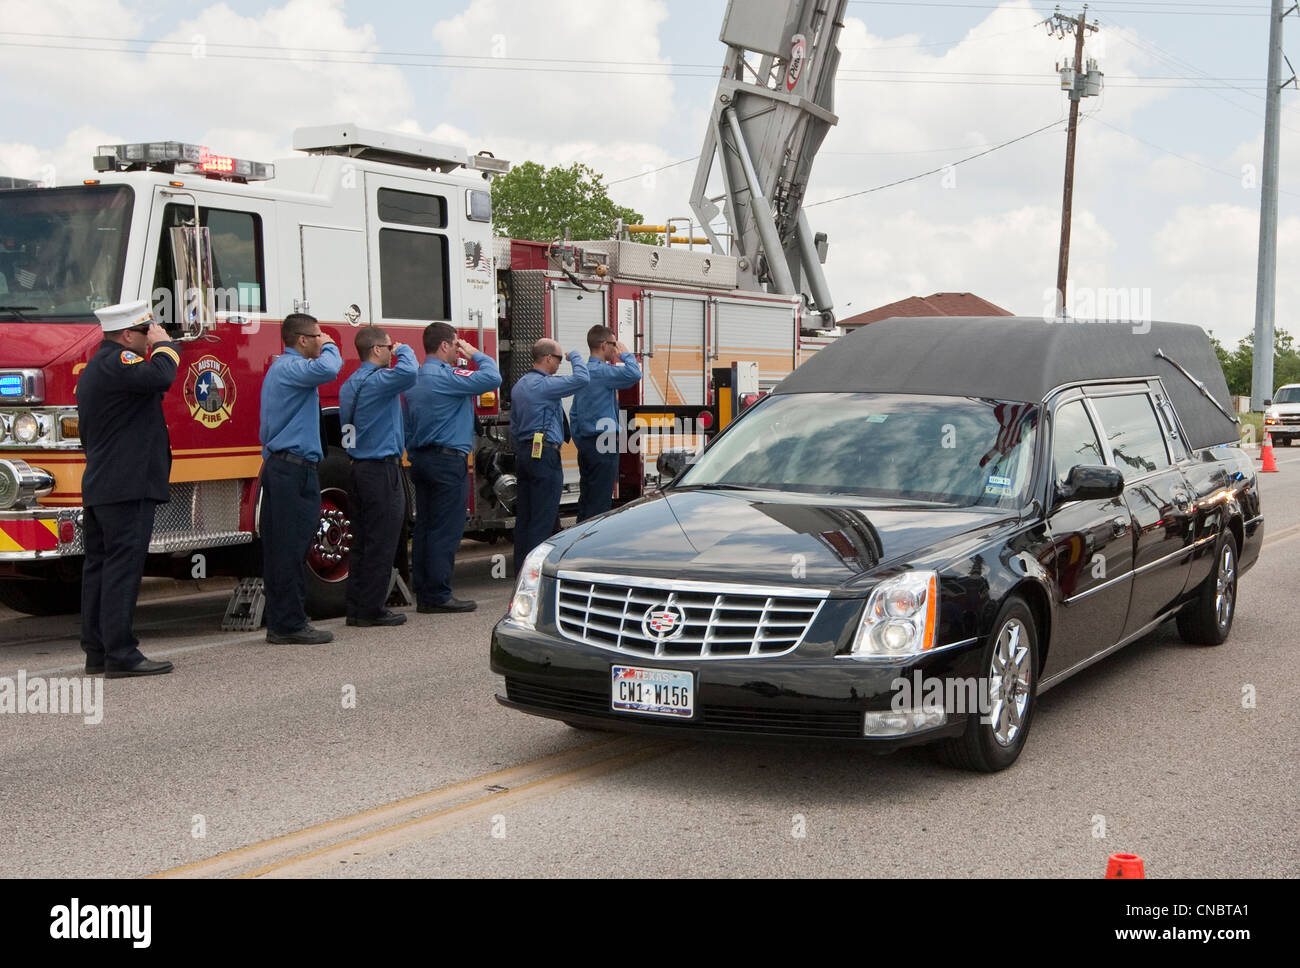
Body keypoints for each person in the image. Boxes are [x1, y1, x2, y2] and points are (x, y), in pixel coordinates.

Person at [76, 299, 180, 677]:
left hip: (105, 483)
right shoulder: (120, 362)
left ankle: (97, 650)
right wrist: (168, 344)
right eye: (145, 331)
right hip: (127, 484)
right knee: (122, 568)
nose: (149, 337)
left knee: (101, 568)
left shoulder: (94, 368)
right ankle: (121, 653)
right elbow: (161, 378)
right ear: (126, 335)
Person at [404, 323, 502, 612]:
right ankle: (438, 594)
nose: (458, 349)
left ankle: (424, 590)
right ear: (445, 346)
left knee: (424, 526)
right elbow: (492, 377)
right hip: (447, 461)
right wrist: (475, 353)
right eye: (455, 344)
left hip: (420, 459)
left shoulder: (415, 378)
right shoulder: (447, 376)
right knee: (445, 529)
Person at [259, 313, 342, 644]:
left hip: (293, 469)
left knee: (291, 547)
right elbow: (330, 368)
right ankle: (287, 624)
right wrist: (332, 344)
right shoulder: (290, 367)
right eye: (318, 336)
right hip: (290, 470)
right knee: (289, 549)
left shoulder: (289, 370)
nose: (322, 340)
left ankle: (287, 619)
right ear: (303, 340)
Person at [339, 326, 417, 627]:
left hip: (358, 467)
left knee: (361, 541)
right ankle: (372, 608)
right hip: (381, 468)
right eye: (387, 347)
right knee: (383, 540)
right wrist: (404, 349)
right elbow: (410, 372)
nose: (391, 351)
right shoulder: (380, 380)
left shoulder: (349, 385)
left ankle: (356, 606)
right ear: (376, 350)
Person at [509, 338, 589, 574]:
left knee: (526, 514)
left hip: (525, 452)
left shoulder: (520, 385)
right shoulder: (544, 385)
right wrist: (574, 355)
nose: (559, 363)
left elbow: (514, 426)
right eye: (558, 359)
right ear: (547, 359)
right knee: (543, 516)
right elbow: (582, 379)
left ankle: (520, 568)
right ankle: (535, 572)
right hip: (544, 453)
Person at [570, 325, 642, 521]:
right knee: (600, 501)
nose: (615, 348)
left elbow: (574, 413)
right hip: (605, 441)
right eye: (613, 344)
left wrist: (581, 441)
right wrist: (626, 354)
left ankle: (579, 542)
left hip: (587, 442)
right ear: (604, 345)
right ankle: (592, 546)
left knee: (587, 496)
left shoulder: (583, 372)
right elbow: (635, 374)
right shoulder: (602, 372)